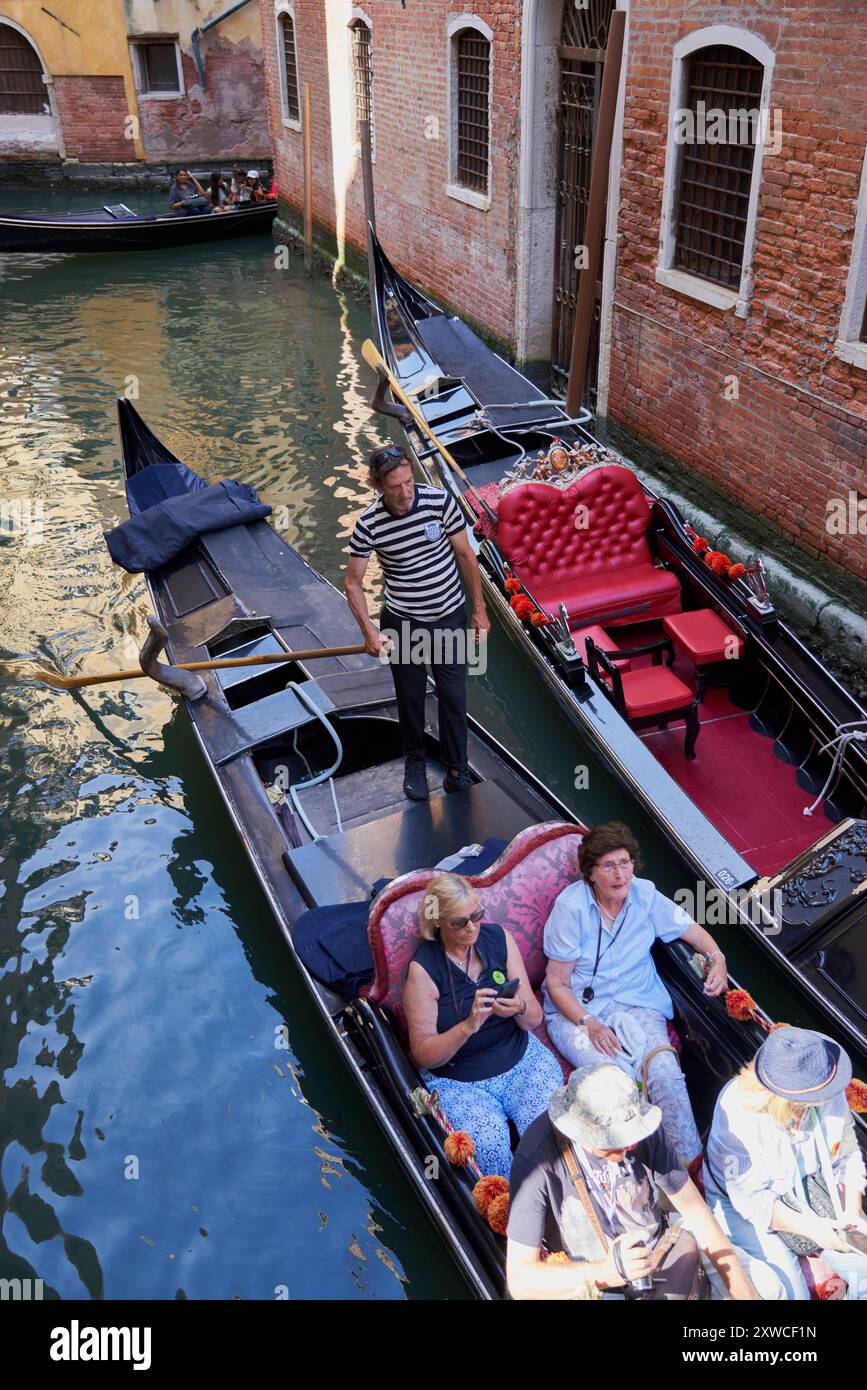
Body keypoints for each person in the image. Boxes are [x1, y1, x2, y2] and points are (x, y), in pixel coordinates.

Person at [542, 822, 727, 1165]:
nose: (620, 874)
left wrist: (717, 958)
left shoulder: (645, 895)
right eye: (609, 866)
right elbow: (557, 985)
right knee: (618, 1086)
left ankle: (691, 1167)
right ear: (591, 873)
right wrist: (590, 1023)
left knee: (666, 1075)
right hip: (578, 1012)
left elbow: (693, 931)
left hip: (638, 1001)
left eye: (625, 863)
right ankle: (646, 1170)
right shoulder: (571, 909)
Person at [506, 1060, 767, 1300]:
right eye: (615, 1142)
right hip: (590, 1279)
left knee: (769, 1286)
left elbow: (696, 1212)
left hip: (659, 1254)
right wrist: (605, 1272)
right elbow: (519, 1281)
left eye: (631, 1138)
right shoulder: (536, 1158)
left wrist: (745, 1292)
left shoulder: (638, 1126)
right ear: (581, 1133)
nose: (631, 1145)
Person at [345, 445, 490, 799]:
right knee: (410, 697)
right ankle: (414, 761)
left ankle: (456, 769)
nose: (405, 492)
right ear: (378, 485)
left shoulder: (439, 502)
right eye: (395, 487)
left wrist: (479, 611)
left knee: (453, 695)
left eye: (408, 482)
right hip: (403, 624)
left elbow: (466, 556)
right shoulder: (368, 524)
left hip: (449, 616)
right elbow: (353, 583)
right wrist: (369, 631)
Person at [403, 873, 563, 1178]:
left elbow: (534, 1018)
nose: (472, 927)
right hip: (460, 1081)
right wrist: (468, 1025)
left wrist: (519, 1008)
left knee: (552, 1133)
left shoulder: (499, 938)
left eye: (476, 916)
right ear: (437, 921)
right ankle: (512, 1204)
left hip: (522, 1061)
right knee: (489, 1146)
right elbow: (423, 1054)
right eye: (459, 922)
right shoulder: (422, 970)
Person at [704, 1027, 867, 1300]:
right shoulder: (737, 1114)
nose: (835, 1092)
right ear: (792, 1097)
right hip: (743, 1207)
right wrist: (813, 1229)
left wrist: (851, 1211)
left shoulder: (828, 1084)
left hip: (809, 1186)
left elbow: (848, 1153)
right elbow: (752, 1203)